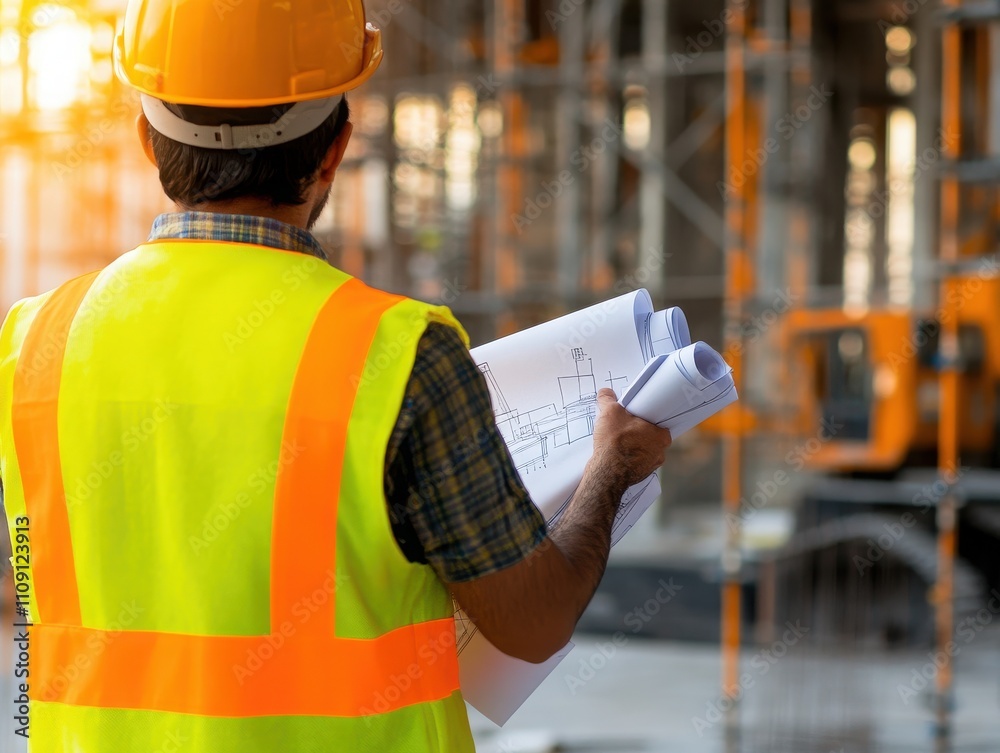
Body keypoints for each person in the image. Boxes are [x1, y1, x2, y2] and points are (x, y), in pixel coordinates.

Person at [0, 1, 672, 751]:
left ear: (148, 143)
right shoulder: (399, 353)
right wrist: (612, 468)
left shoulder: (34, 342)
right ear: (335, 150)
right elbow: (534, 620)